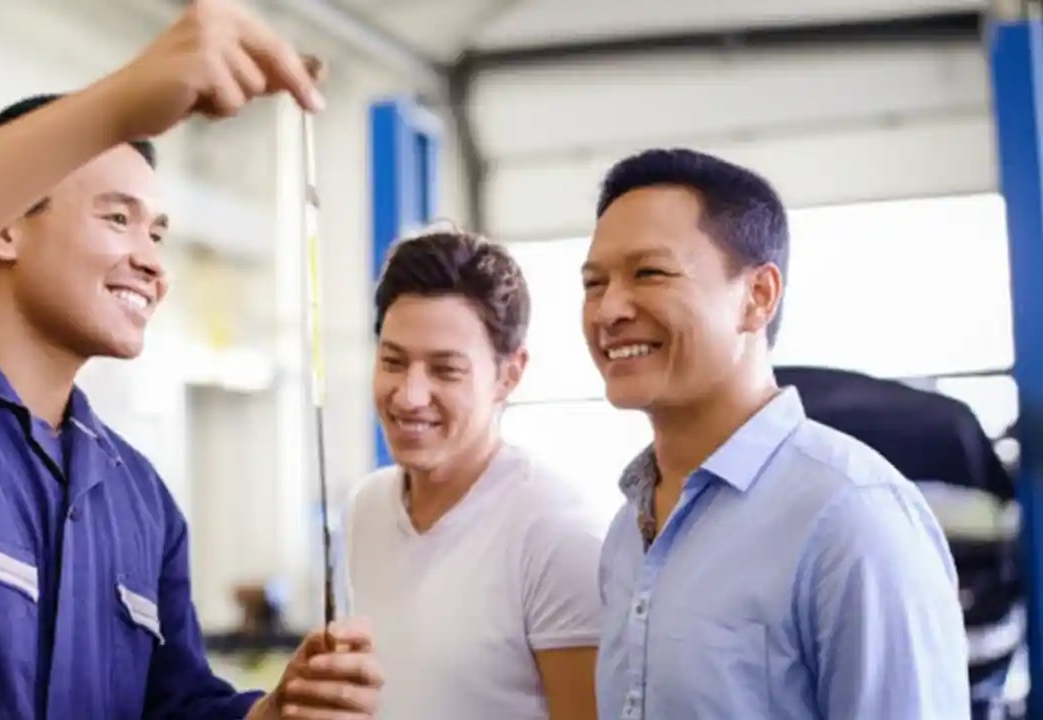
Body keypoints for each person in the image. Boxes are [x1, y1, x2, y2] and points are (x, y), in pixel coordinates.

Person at [0, 1, 383, 718]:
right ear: (3, 228)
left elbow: (172, 706)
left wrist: (273, 713)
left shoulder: (142, 501)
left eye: (157, 233)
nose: (152, 262)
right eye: (118, 218)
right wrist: (115, 105)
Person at [580, 148, 971, 718]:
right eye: (594, 283)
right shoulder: (628, 532)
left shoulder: (851, 517)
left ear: (758, 295)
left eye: (650, 273)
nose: (608, 310)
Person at [340, 230, 607, 719]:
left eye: (445, 370)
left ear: (510, 374)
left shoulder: (558, 533)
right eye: (393, 362)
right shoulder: (366, 508)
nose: (409, 396)